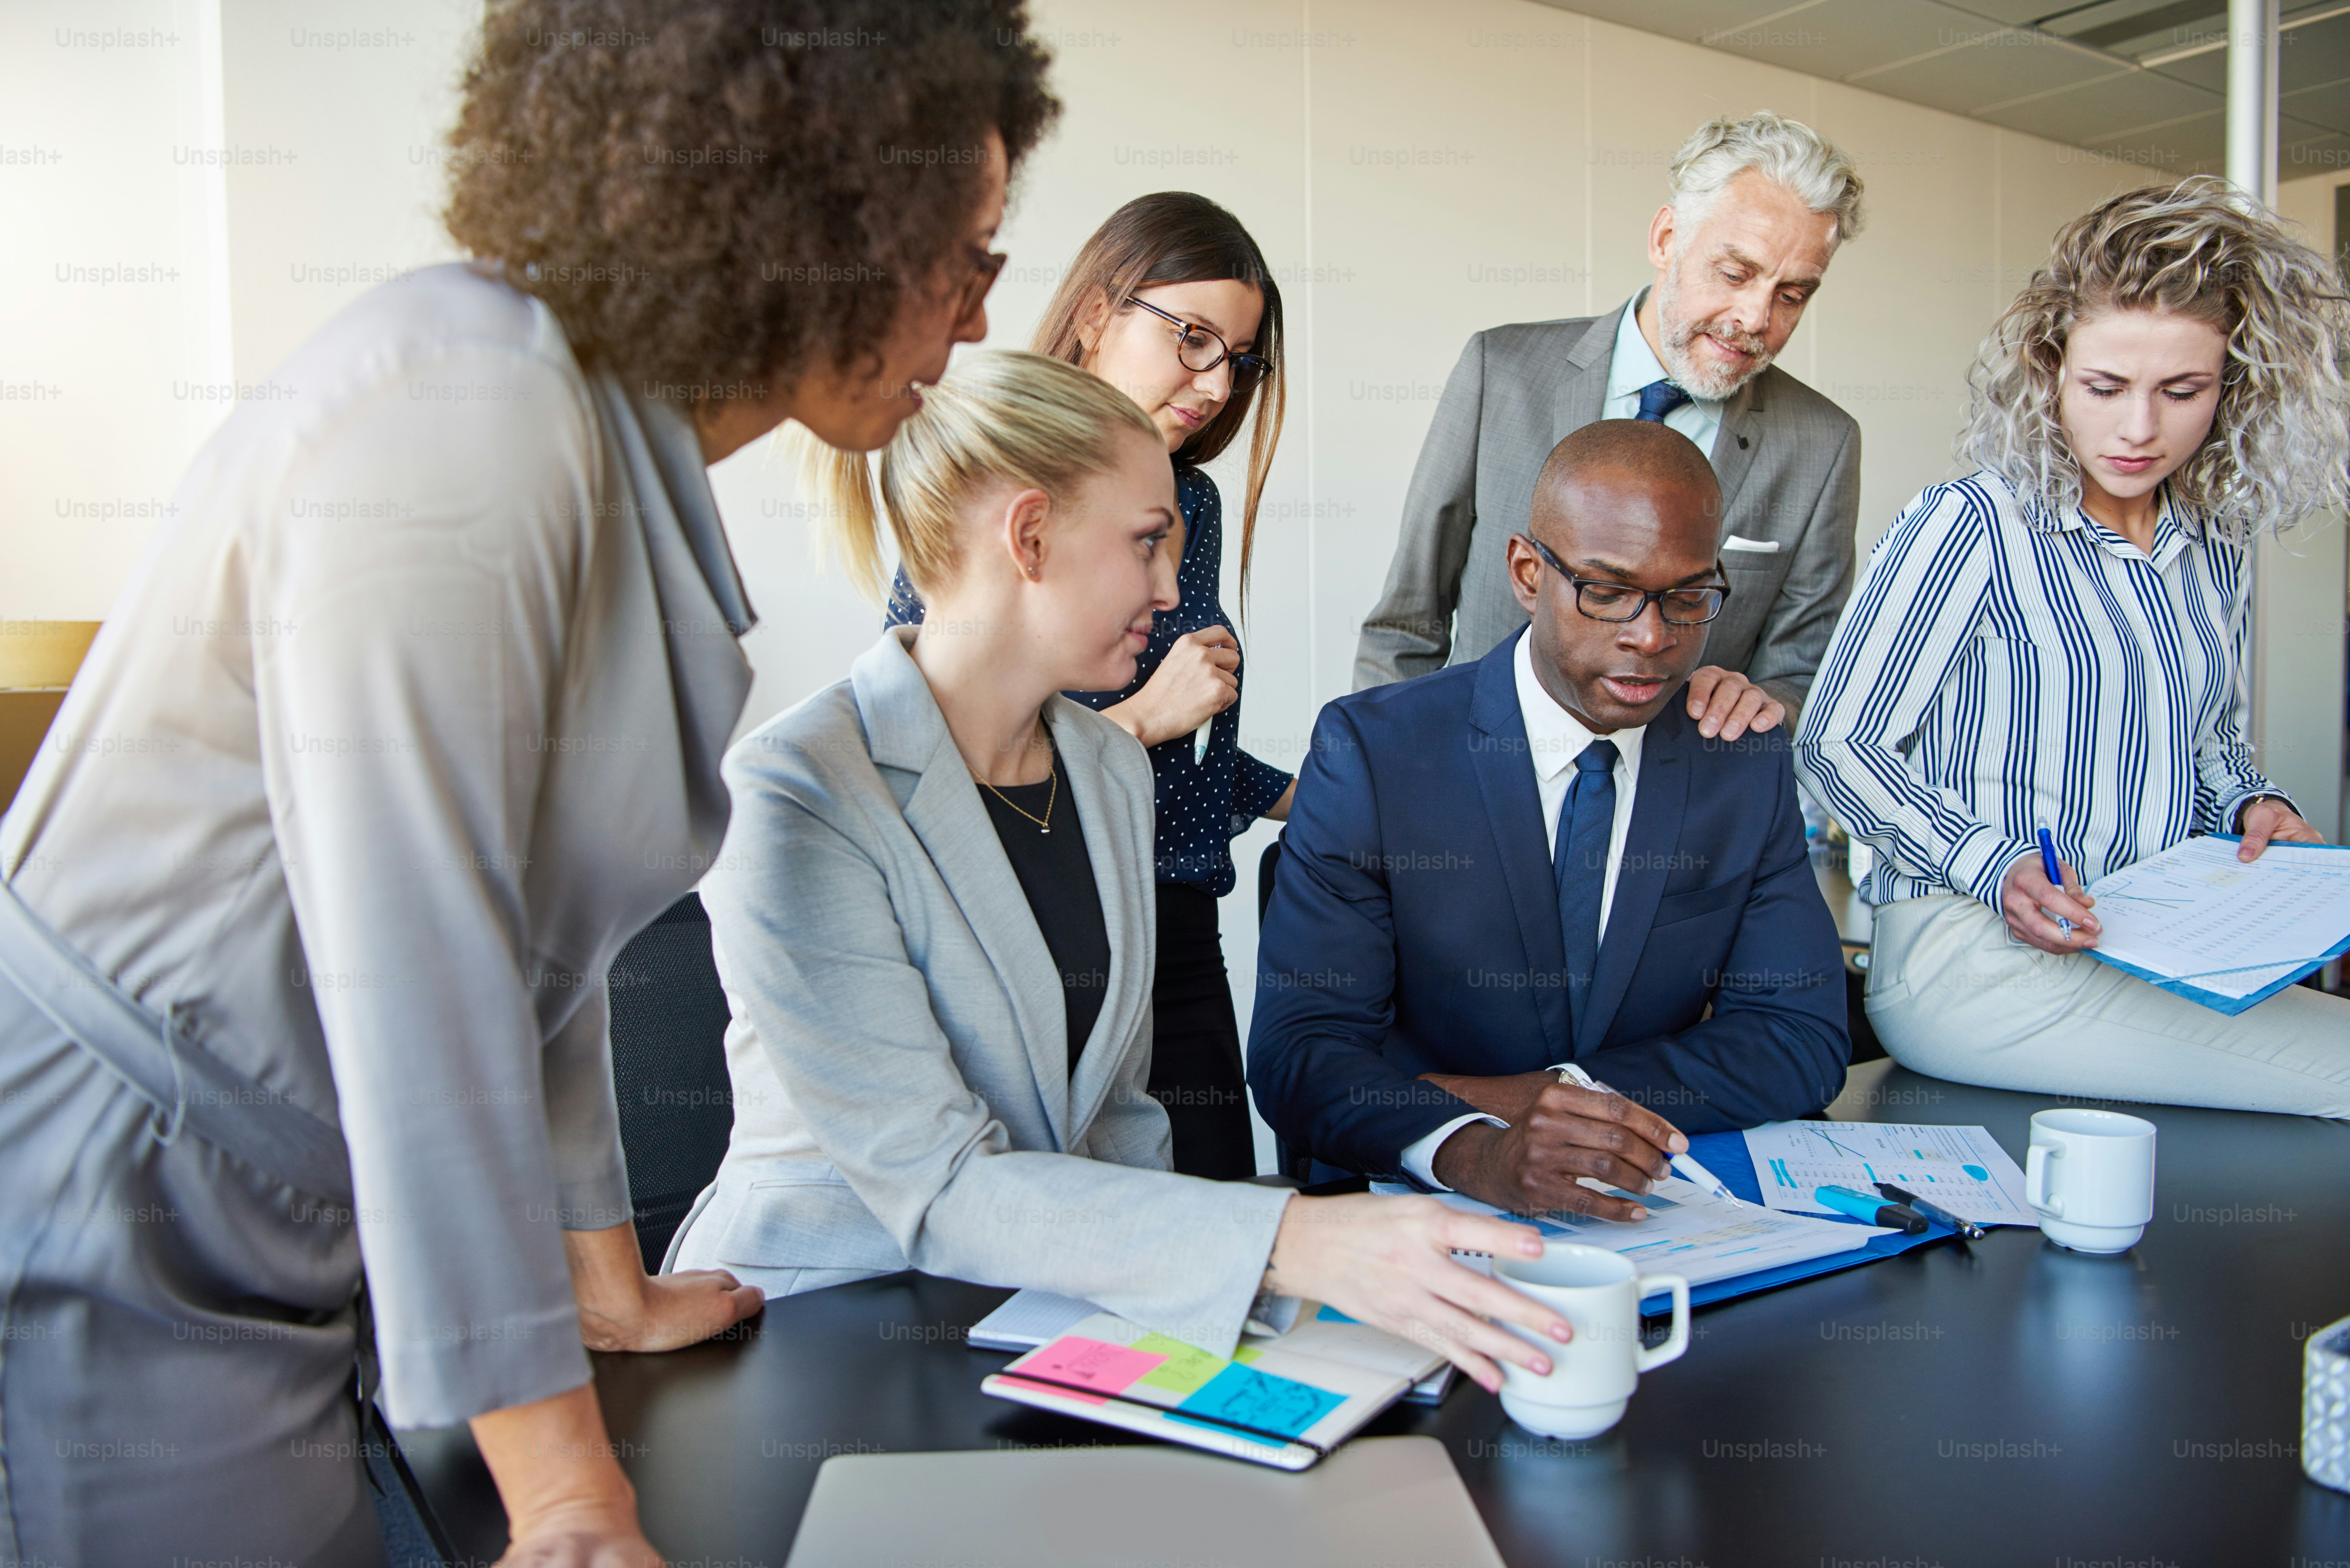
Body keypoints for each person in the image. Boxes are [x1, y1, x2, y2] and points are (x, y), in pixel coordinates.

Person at [0, 5, 1059, 1563]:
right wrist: (564, 1483)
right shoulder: (461, 413)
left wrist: (602, 1280)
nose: (977, 318)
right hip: (114, 1215)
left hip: (287, 1230)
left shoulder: (604, 456)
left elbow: (532, 957)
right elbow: (421, 974)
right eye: (962, 256)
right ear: (811, 218)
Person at [667, 350, 1576, 1392]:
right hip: (819, 1338)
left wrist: (1235, 1313)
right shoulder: (798, 792)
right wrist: (1292, 1238)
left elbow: (1121, 1123)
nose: (1172, 594)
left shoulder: (1104, 763)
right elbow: (940, 1182)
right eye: (1148, 546)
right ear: (1032, 535)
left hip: (1041, 1313)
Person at [1795, 178, 2350, 1117]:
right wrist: (1994, 863)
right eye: (2106, 387)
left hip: (2157, 948)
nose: (2140, 429)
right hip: (1977, 966)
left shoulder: (2216, 543)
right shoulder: (1971, 522)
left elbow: (2212, 744)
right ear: (2051, 368)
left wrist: (2255, 803)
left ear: (2233, 388)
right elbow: (1835, 746)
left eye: (2184, 392)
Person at [1251, 420, 1849, 1216]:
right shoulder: (1375, 751)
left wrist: (1555, 1098)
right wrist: (1474, 1147)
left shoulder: (1737, 757)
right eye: (1606, 591)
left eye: (1689, 597)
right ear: (1528, 573)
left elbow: (1799, 1039)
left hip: (1663, 1217)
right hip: (1420, 1208)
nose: (1651, 636)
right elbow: (1303, 1055)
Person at [882, 192, 1292, 1178]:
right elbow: (934, 746)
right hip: (1044, 913)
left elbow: (1194, 756)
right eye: (1193, 338)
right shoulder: (984, 465)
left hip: (1179, 919)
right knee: (1068, 1257)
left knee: (1220, 1239)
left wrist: (1318, 793)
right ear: (1098, 313)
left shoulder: (1189, 494)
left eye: (1238, 359)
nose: (1216, 382)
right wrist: (1145, 720)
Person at [1356, 110, 1868, 739]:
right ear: (1664, 239)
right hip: (1473, 781)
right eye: (1734, 274)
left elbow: (1799, 677)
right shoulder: (1501, 372)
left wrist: (1762, 702)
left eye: (1792, 295)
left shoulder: (1823, 444)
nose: (1756, 317)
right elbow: (1407, 623)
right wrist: (1386, 782)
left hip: (1670, 810)